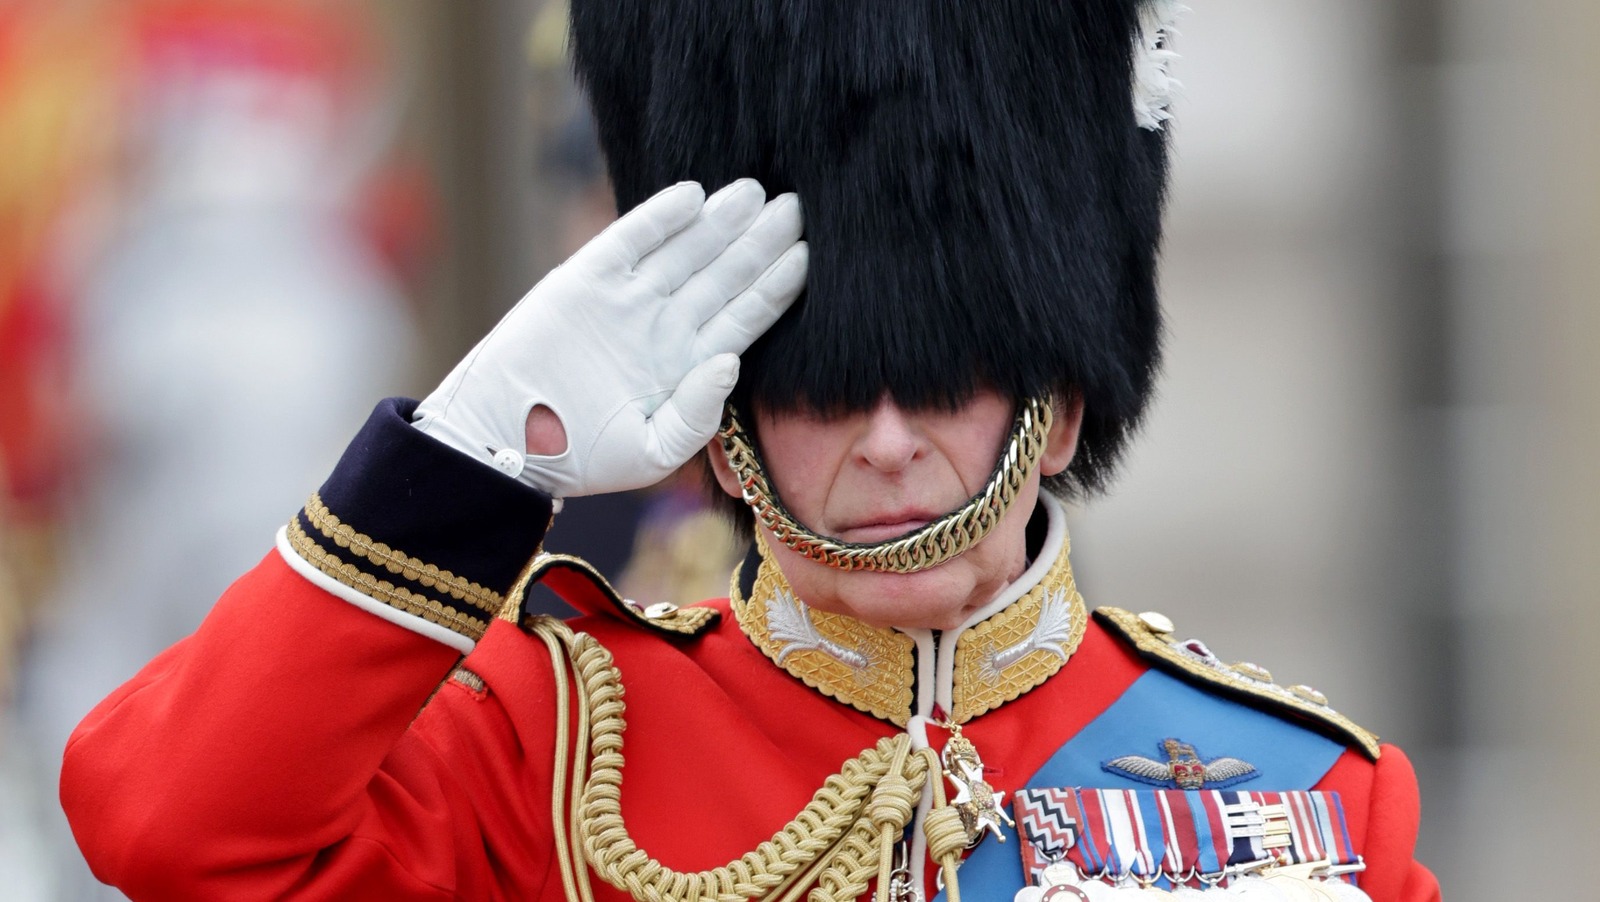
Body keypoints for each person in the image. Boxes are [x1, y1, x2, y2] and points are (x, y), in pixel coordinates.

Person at [61, 1, 1440, 900]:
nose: (889, 444)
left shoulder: (1311, 795)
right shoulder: (547, 749)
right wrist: (472, 462)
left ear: (1062, 400)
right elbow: (170, 822)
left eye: (946, 381)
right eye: (825, 388)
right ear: (721, 431)